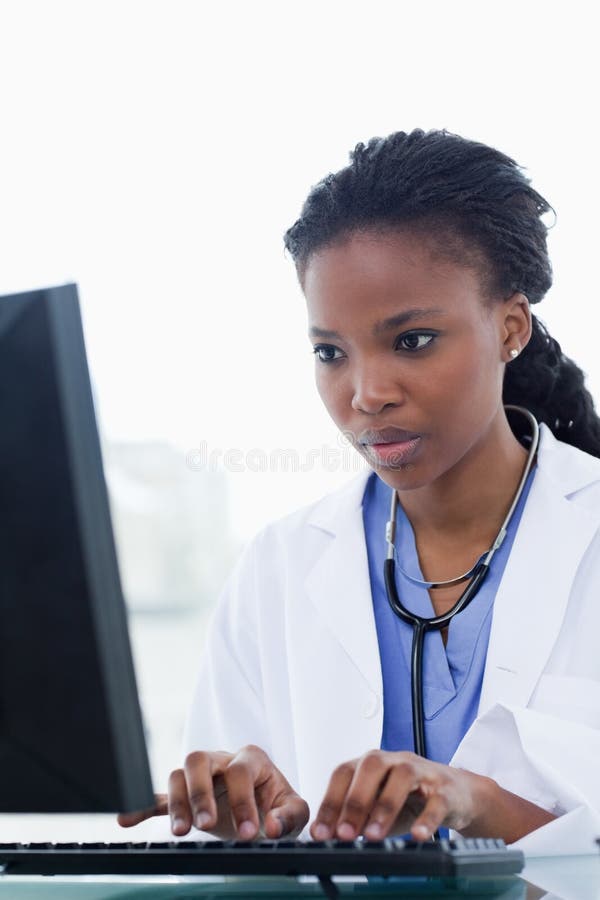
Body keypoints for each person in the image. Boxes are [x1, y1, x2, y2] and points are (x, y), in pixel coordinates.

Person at [120, 129, 600, 854]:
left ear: (510, 326)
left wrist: (473, 803)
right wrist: (258, 826)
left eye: (411, 341)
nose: (366, 394)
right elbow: (229, 860)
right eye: (330, 353)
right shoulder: (278, 568)